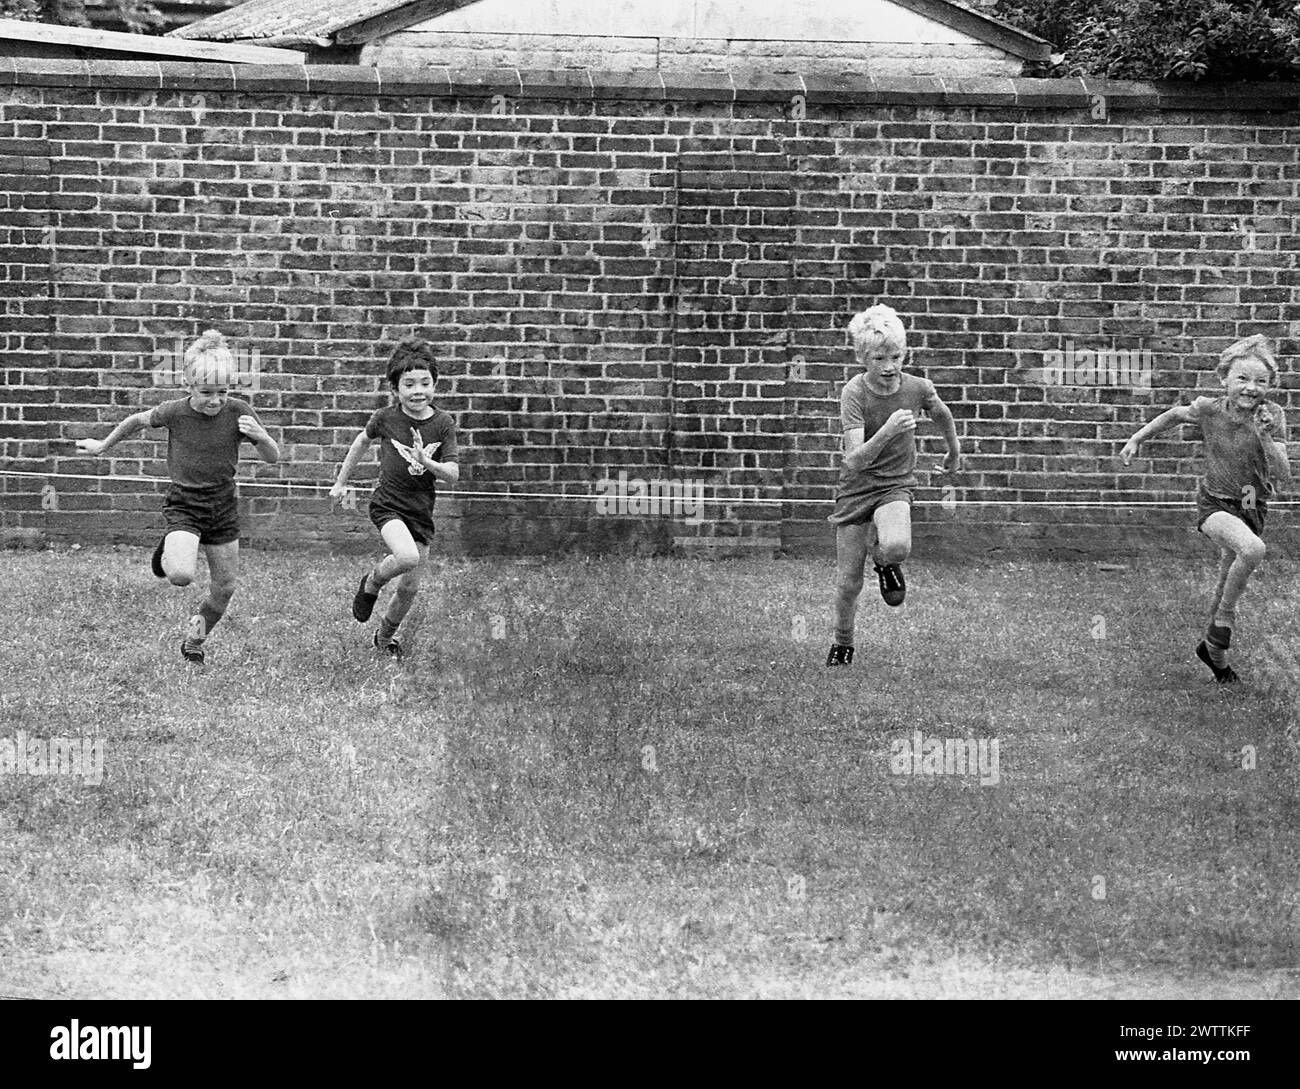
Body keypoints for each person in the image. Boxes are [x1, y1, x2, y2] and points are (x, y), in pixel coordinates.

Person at [76, 329, 279, 664]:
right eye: (207, 392)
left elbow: (273, 457)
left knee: (225, 588)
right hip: (185, 504)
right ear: (189, 386)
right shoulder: (174, 412)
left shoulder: (238, 411)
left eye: (223, 392)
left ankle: (194, 641)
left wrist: (262, 437)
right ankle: (170, 546)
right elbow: (135, 422)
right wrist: (102, 446)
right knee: (181, 576)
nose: (216, 400)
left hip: (223, 507)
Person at [1122, 333, 1290, 683]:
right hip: (1214, 504)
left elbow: (1285, 474)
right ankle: (1225, 623)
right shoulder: (1209, 409)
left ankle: (1214, 655)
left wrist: (1267, 436)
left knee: (1227, 577)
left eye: (1261, 381)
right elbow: (1172, 415)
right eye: (1242, 378)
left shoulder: (1272, 415)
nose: (1250, 388)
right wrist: (1137, 438)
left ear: (1270, 386)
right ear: (1224, 379)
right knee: (1253, 549)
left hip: (1252, 507)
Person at [826, 305, 962, 668]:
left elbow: (942, 414)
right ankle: (843, 645)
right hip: (856, 488)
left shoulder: (917, 387)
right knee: (848, 581)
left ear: (905, 354)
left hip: (894, 485)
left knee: (898, 546)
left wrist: (953, 452)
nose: (889, 366)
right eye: (879, 358)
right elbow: (854, 460)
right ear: (861, 357)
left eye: (896, 357)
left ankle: (885, 563)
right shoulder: (853, 393)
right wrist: (888, 430)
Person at [330, 337, 459, 659]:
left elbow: (453, 475)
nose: (418, 391)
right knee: (407, 557)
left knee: (410, 587)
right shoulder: (385, 418)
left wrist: (427, 461)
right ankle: (372, 583)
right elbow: (360, 444)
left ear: (435, 385)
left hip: (421, 511)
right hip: (388, 505)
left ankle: (385, 639)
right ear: (395, 389)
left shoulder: (443, 424)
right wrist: (341, 482)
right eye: (409, 384)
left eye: (425, 383)